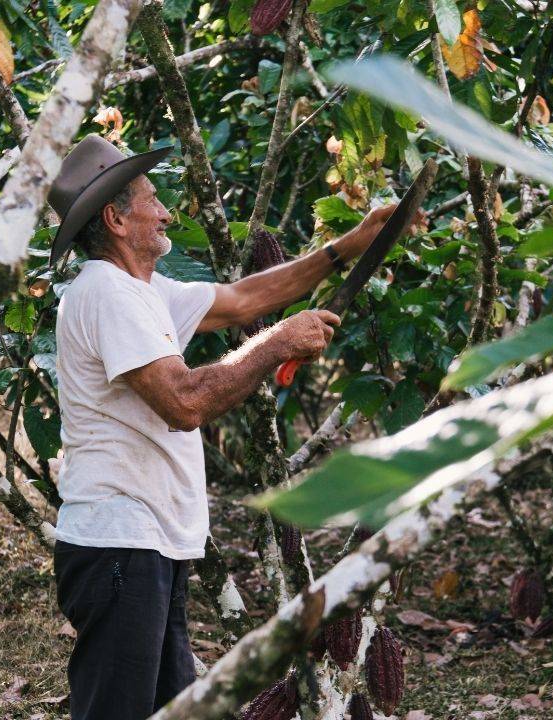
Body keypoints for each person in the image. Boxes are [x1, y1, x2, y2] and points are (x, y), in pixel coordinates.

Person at [47, 134, 400, 718]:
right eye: (152, 199)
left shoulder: (142, 289)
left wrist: (351, 245)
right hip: (119, 542)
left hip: (149, 540)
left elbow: (242, 299)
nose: (165, 212)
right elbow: (184, 402)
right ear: (115, 217)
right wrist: (278, 343)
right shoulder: (107, 293)